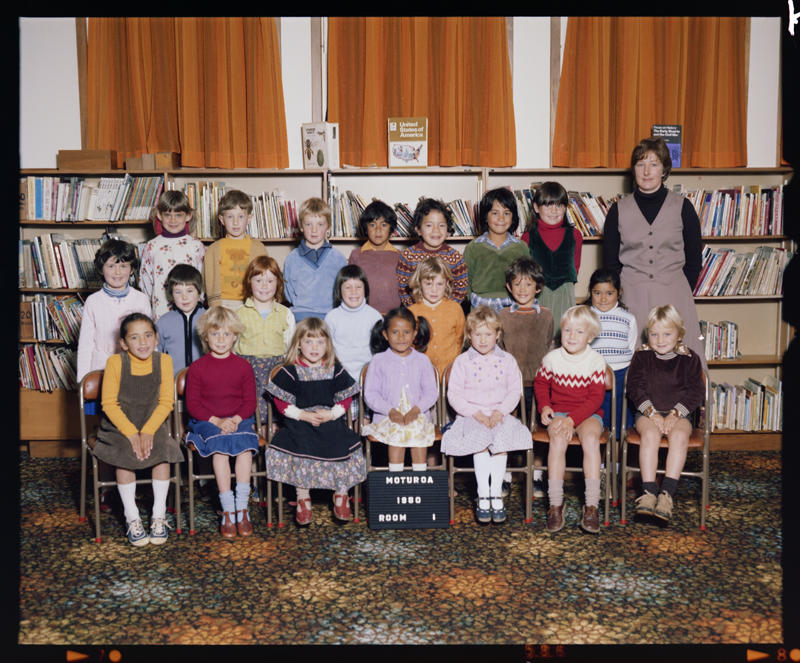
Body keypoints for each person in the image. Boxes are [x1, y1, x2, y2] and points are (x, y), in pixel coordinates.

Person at [602, 136, 705, 364]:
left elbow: (694, 259)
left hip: (675, 296)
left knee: (680, 368)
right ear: (634, 170)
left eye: (654, 164)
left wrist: (678, 288)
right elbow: (610, 262)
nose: (646, 171)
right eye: (640, 164)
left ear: (664, 169)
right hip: (632, 298)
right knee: (635, 369)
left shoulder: (684, 207)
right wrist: (625, 292)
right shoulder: (617, 210)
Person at [94, 313, 184, 546]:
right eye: (134, 338)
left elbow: (166, 402)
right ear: (123, 343)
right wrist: (133, 434)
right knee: (125, 456)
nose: (142, 343)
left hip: (153, 423)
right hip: (120, 426)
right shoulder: (115, 363)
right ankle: (132, 517)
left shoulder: (163, 361)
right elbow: (109, 405)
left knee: (162, 453)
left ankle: (158, 515)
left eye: (147, 336)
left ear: (156, 339)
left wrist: (148, 432)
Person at [264, 318, 365, 526]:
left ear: (327, 344)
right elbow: (281, 402)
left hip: (328, 417)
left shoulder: (334, 368)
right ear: (299, 344)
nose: (314, 348)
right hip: (300, 419)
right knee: (301, 443)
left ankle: (341, 493)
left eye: (320, 342)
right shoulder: (290, 371)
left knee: (340, 442)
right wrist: (302, 415)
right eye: (309, 342)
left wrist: (332, 414)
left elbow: (345, 397)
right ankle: (303, 497)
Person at [441, 306, 532, 524]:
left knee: (501, 441)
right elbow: (454, 395)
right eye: (478, 334)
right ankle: (483, 494)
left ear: (497, 335)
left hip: (500, 414)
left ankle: (495, 494)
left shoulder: (508, 360)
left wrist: (501, 411)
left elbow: (514, 391)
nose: (483, 340)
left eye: (488, 334)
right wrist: (476, 413)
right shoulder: (462, 361)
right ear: (469, 335)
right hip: (471, 415)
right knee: (479, 440)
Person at [185, 306, 260, 539]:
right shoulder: (197, 368)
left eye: (226, 334)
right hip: (208, 422)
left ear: (235, 336)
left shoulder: (243, 366)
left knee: (245, 450)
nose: (220, 339)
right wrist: (217, 421)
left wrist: (236, 420)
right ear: (205, 337)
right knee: (220, 451)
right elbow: (193, 405)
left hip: (238, 420)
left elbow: (250, 402)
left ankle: (242, 508)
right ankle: (228, 510)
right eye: (215, 334)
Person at [626, 304, 705, 523]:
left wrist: (674, 415)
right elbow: (635, 388)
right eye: (654, 334)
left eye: (667, 334)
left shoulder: (690, 358)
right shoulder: (642, 357)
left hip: (678, 415)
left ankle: (666, 494)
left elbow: (696, 391)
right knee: (650, 436)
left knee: (679, 437)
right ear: (647, 335)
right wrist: (652, 414)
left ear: (679, 334)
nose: (660, 340)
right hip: (648, 413)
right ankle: (649, 492)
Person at [533, 305, 607, 534]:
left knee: (591, 440)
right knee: (557, 440)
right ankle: (556, 504)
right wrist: (545, 406)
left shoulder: (596, 361)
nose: (572, 336)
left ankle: (592, 505)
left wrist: (572, 420)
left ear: (590, 336)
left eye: (579, 332)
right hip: (559, 411)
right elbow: (541, 384)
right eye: (567, 330)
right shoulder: (552, 358)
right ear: (561, 332)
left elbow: (596, 399)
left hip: (588, 414)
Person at [498, 256, 555, 498]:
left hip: (538, 384)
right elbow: (498, 349)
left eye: (528, 284)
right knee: (506, 428)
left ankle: (537, 475)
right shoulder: (502, 315)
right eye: (517, 284)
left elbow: (549, 345)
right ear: (509, 287)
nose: (523, 289)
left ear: (538, 287)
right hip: (509, 386)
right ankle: (505, 475)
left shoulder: (546, 315)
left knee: (539, 429)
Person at [362, 307, 437, 472]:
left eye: (406, 332)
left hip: (418, 414)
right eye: (395, 332)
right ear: (385, 334)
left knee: (417, 429)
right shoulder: (378, 360)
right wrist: (390, 411)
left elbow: (431, 392)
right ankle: (395, 482)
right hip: (387, 416)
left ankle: (420, 479)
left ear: (415, 333)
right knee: (396, 431)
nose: (401, 337)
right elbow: (371, 394)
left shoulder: (423, 360)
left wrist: (416, 410)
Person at [77, 239, 152, 384]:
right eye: (111, 266)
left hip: (133, 372)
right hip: (100, 372)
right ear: (101, 269)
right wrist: (83, 381)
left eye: (123, 266)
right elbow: (85, 345)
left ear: (131, 270)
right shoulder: (93, 302)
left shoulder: (141, 300)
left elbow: (149, 341)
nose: (117, 272)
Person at [235, 255, 295, 425]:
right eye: (259, 280)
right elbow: (233, 347)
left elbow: (290, 345)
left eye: (270, 281)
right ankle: (252, 430)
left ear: (278, 283)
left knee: (279, 408)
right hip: (248, 368)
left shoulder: (285, 313)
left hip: (276, 367)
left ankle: (276, 432)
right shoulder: (239, 314)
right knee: (248, 407)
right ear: (249, 282)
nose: (264, 286)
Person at [520, 181, 583, 338]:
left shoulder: (575, 235)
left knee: (566, 341)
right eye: (548, 205)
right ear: (536, 207)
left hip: (565, 296)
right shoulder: (527, 237)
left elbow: (575, 267)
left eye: (560, 205)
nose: (554, 211)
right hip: (538, 298)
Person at [585, 267, 638, 433]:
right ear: (590, 292)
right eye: (597, 293)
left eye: (609, 293)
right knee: (596, 418)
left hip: (621, 374)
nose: (602, 299)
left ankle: (618, 455)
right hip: (592, 375)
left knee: (621, 417)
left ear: (619, 292)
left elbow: (631, 345)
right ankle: (598, 456)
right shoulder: (584, 315)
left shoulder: (628, 318)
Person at [139, 190, 205, 320]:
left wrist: (199, 302)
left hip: (191, 308)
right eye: (168, 215)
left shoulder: (196, 246)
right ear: (159, 215)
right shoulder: (152, 246)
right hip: (161, 309)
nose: (173, 220)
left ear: (188, 216)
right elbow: (145, 281)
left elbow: (202, 278)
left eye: (179, 215)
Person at [464, 187, 529, 311]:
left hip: (512, 308)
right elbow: (466, 284)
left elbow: (528, 280)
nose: (501, 218)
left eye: (506, 213)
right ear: (485, 216)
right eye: (495, 213)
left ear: (513, 217)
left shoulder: (521, 247)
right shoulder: (473, 248)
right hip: (481, 309)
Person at [283, 197, 347, 322]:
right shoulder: (292, 259)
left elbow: (343, 290)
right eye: (308, 224)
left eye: (320, 224)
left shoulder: (338, 258)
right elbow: (288, 292)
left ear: (328, 227)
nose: (314, 230)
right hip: (300, 316)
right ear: (301, 227)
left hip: (330, 316)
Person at [202, 189, 268, 310]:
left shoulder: (258, 247)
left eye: (241, 216)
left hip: (250, 302)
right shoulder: (214, 249)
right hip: (223, 304)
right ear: (222, 220)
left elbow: (265, 276)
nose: (236, 222)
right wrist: (215, 306)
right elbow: (209, 281)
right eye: (230, 217)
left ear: (249, 218)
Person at [396, 198, 468, 307]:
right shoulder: (407, 256)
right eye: (429, 225)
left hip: (446, 313)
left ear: (448, 230)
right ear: (418, 229)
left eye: (441, 225)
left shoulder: (456, 257)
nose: (436, 230)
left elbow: (461, 289)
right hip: (417, 313)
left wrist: (447, 309)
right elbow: (403, 289)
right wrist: (416, 309)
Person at [407, 257, 465, 377]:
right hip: (421, 373)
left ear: (447, 284)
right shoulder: (411, 312)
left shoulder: (455, 309)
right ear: (419, 284)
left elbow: (460, 339)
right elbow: (409, 345)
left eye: (439, 284)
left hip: (450, 372)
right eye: (428, 284)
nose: (434, 290)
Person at [324, 264, 382, 383]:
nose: (353, 292)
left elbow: (380, 353)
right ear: (339, 290)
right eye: (348, 287)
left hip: (369, 375)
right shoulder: (332, 317)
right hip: (339, 376)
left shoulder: (374, 316)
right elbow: (327, 351)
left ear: (365, 289)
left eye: (358, 287)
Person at [347, 200, 402, 314]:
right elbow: (349, 286)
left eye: (384, 224)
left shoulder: (399, 256)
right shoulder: (356, 255)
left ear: (391, 229)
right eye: (372, 225)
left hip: (393, 316)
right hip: (363, 315)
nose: (378, 230)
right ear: (365, 228)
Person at [156, 264, 207, 376]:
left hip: (204, 381)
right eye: (178, 292)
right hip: (172, 381)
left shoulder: (209, 318)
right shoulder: (163, 322)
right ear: (171, 294)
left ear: (199, 292)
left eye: (190, 291)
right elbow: (157, 354)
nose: (184, 297)